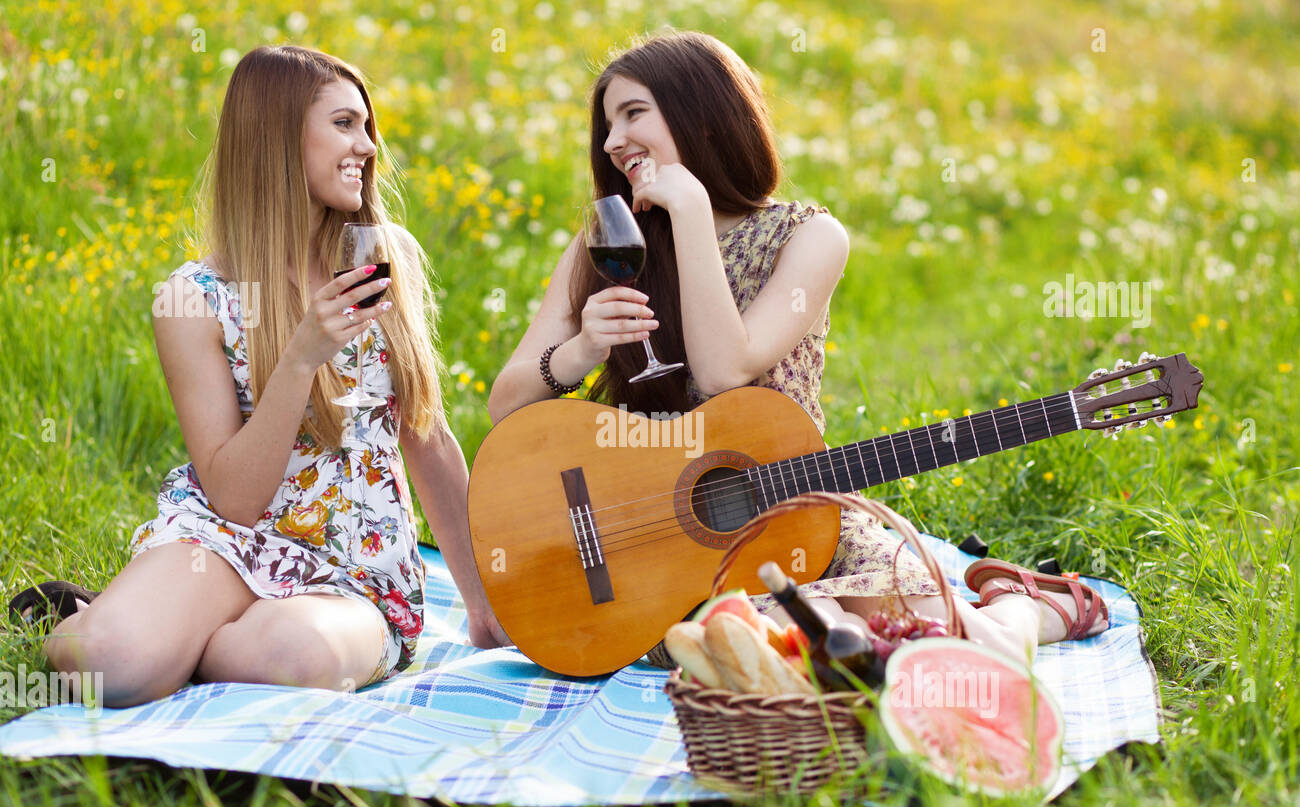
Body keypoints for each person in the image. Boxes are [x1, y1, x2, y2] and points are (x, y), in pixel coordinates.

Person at [487, 30, 1108, 666]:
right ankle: (855, 621)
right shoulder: (603, 243)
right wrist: (581, 350)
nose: (613, 140)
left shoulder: (809, 236)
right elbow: (504, 407)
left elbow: (725, 370)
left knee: (949, 650)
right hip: (664, 547)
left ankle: (1019, 605)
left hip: (806, 510)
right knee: (810, 647)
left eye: (633, 113)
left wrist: (692, 211)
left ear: (701, 110)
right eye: (608, 123)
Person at [37, 45, 509, 709]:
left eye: (367, 126)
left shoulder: (383, 258)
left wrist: (483, 599)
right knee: (107, 667)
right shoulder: (194, 297)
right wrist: (300, 357)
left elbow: (424, 435)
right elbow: (233, 502)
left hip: (352, 573)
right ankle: (93, 618)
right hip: (226, 543)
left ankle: (184, 638)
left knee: (290, 657)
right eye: (345, 124)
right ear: (280, 137)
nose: (368, 146)